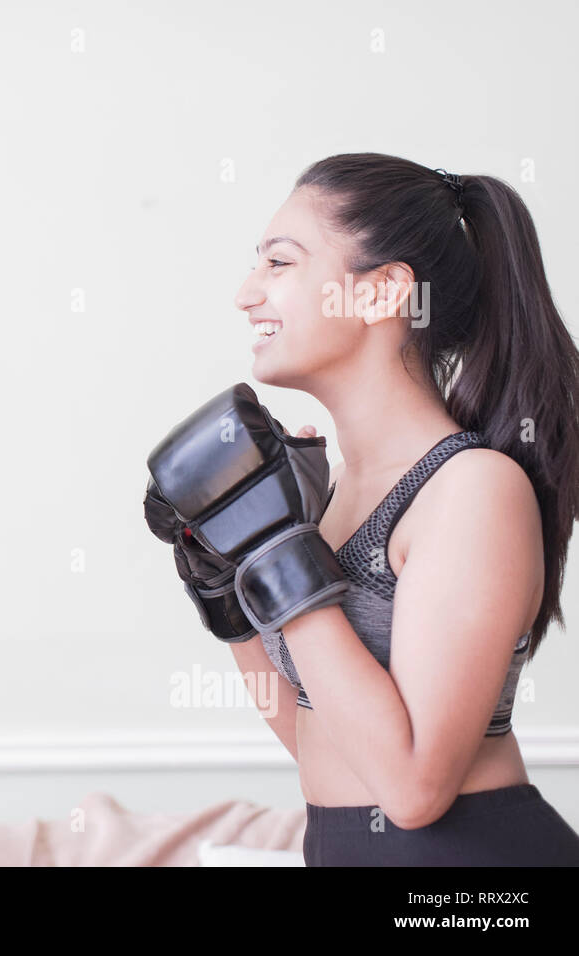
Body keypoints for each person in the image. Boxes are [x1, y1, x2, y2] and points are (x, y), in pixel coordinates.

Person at [146, 152, 579, 865]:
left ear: (382, 293)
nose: (247, 293)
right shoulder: (330, 492)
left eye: (279, 264)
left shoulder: (472, 488)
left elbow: (411, 790)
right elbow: (316, 741)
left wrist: (280, 553)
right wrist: (225, 589)